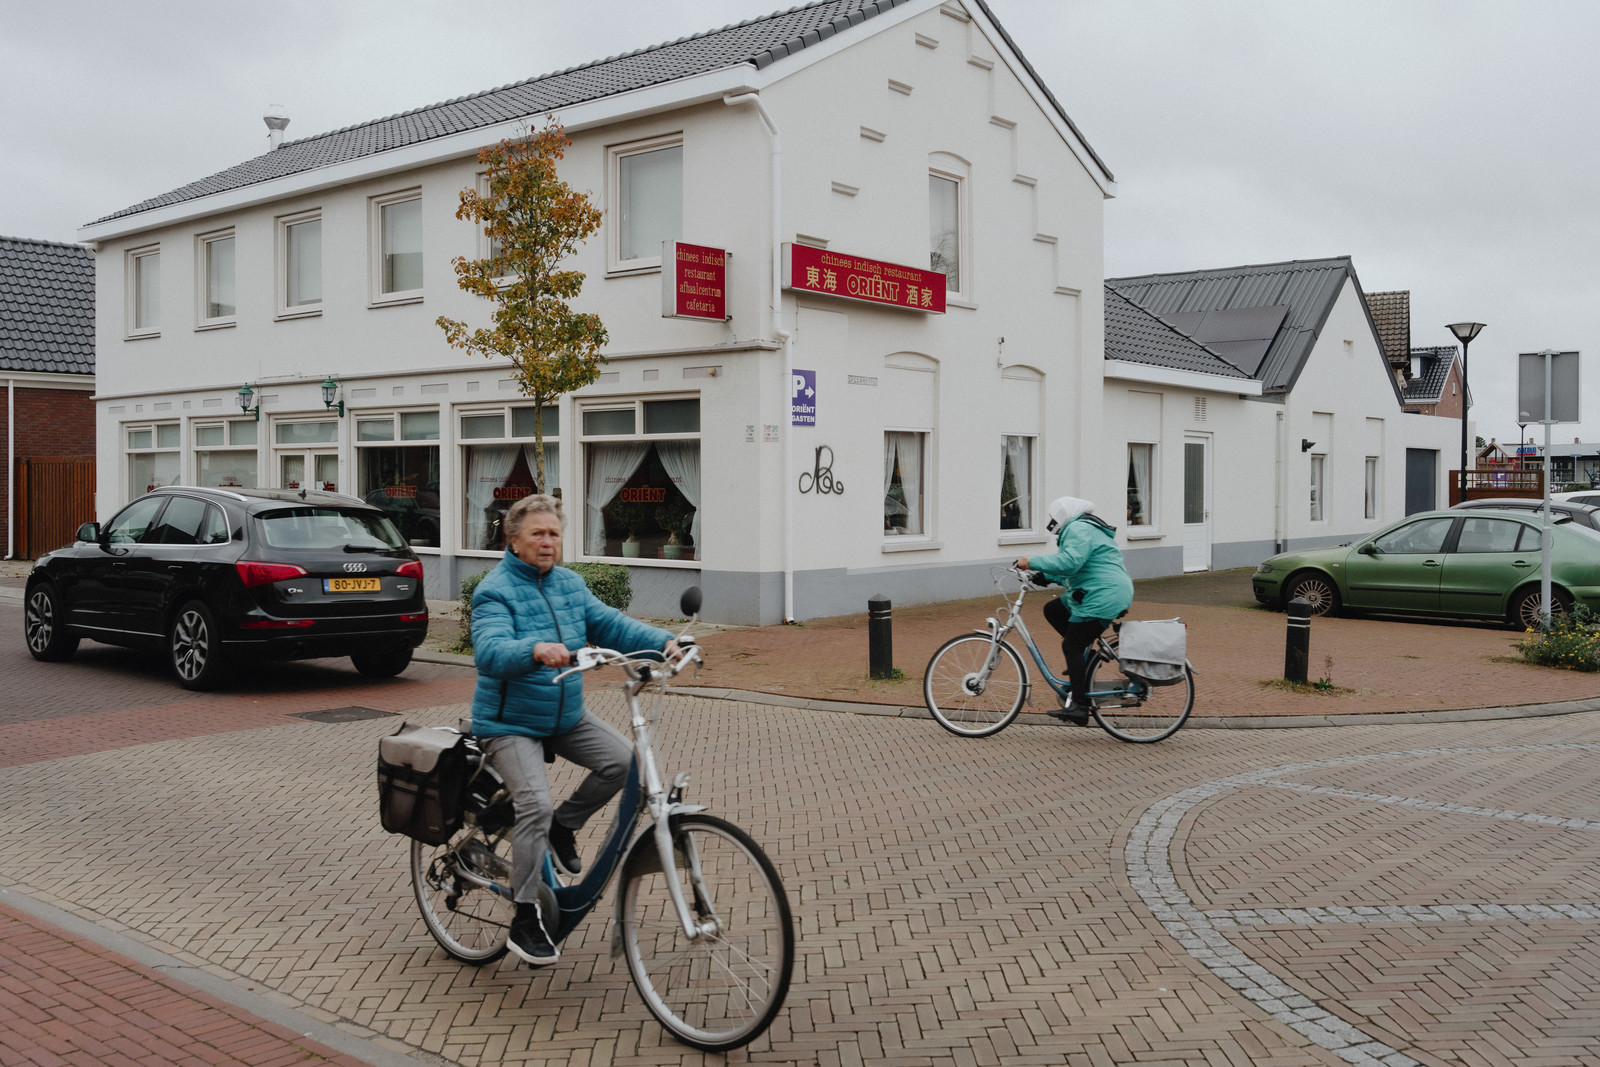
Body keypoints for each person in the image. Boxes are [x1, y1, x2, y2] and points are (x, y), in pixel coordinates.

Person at [470, 493, 676, 966]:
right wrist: (534, 649)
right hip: (509, 722)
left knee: (625, 763)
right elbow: (490, 650)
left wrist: (666, 643)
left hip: (564, 714)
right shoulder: (494, 590)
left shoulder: (570, 585)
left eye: (554, 534)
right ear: (514, 540)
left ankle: (565, 826)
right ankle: (525, 915)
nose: (547, 542)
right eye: (537, 534)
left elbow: (612, 625)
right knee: (534, 804)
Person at [1015, 495, 1134, 726]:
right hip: (1099, 591)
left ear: (1062, 514)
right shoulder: (1083, 527)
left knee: (1071, 645)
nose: (1051, 522)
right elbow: (1077, 565)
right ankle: (1084, 662)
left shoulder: (1078, 527)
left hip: (1102, 594)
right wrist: (1045, 577)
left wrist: (1032, 562)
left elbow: (1070, 561)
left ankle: (1079, 707)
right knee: (1054, 610)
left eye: (1052, 517)